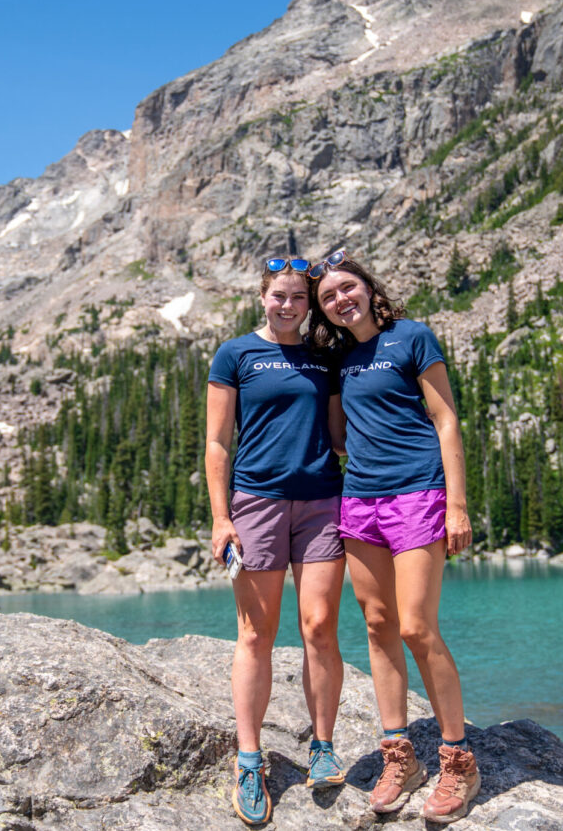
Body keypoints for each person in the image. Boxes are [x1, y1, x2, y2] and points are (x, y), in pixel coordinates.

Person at [306, 251, 480, 824]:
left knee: (415, 626)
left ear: (368, 287)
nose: (340, 300)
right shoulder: (340, 359)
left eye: (347, 288)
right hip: (360, 501)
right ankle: (400, 757)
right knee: (378, 624)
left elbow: (445, 419)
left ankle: (458, 760)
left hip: (418, 494)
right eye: (328, 298)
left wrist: (457, 505)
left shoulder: (412, 337)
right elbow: (337, 435)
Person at [205, 257, 349, 826]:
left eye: (298, 298)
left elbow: (339, 434)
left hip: (322, 503)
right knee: (255, 634)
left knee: (320, 627)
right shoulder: (235, 354)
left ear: (309, 304)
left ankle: (323, 747)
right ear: (262, 297)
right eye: (279, 296)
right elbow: (218, 442)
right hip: (257, 504)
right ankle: (249, 758)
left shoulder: (323, 356)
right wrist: (221, 518)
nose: (288, 305)